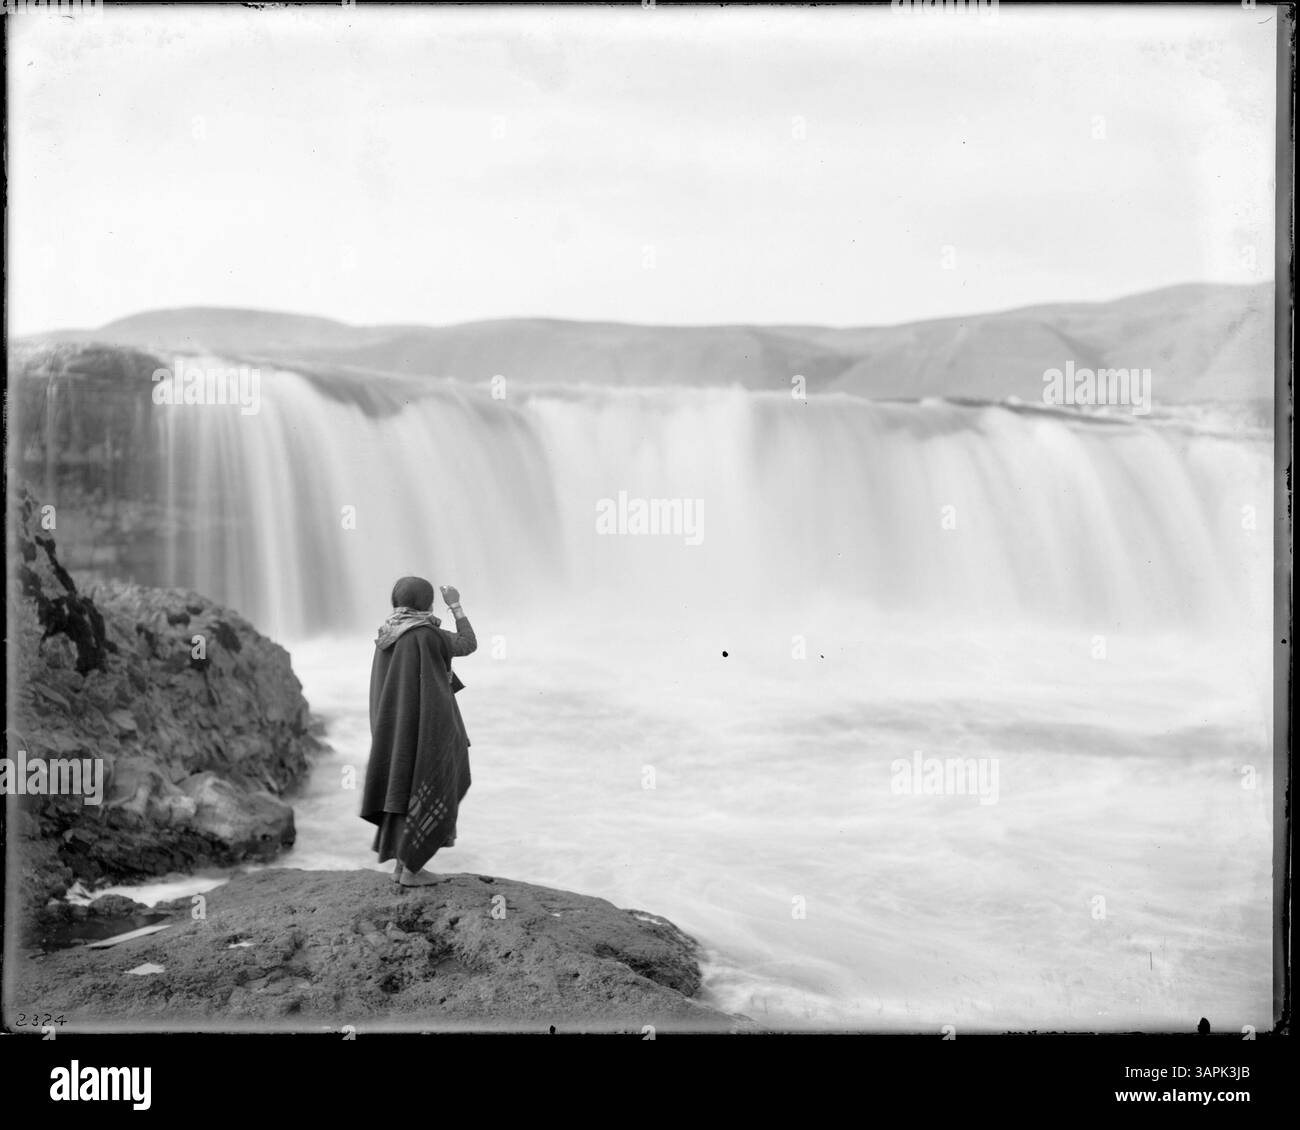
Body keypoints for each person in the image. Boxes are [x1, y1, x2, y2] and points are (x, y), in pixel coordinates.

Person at [361, 576, 476, 887]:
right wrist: (457, 606)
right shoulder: (427, 634)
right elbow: (468, 644)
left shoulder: (387, 633)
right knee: (430, 782)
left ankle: (403, 867)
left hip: (397, 730)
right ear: (426, 603)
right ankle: (412, 871)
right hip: (427, 729)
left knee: (403, 790)